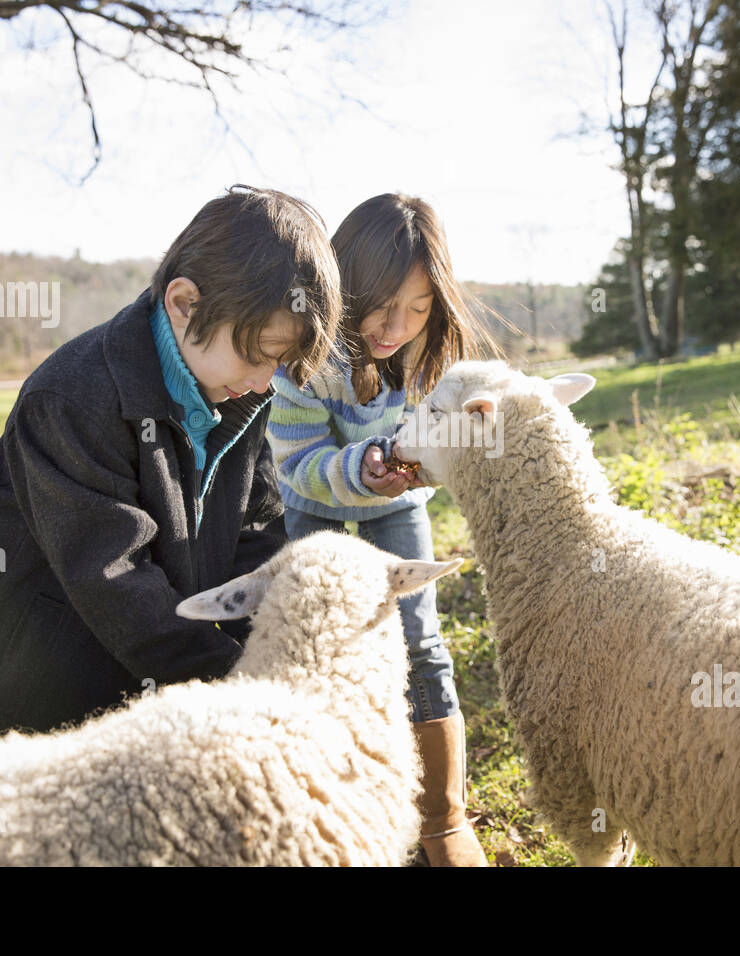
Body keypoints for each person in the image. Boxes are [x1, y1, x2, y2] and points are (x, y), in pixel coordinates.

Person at [0, 186, 341, 734]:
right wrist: (238, 685)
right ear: (184, 304)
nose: (263, 380)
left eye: (280, 362)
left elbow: (255, 535)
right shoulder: (72, 399)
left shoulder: (238, 390)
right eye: (258, 353)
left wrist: (280, 651)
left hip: (160, 698)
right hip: (44, 707)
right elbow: (116, 578)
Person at [267, 193, 506, 866]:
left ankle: (442, 820)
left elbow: (438, 436)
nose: (397, 326)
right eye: (383, 304)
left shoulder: (431, 355)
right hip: (318, 506)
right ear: (347, 285)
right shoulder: (306, 357)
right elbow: (297, 462)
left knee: (418, 639)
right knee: (319, 644)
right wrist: (359, 468)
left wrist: (428, 462)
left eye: (420, 308)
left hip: (395, 509)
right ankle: (331, 799)